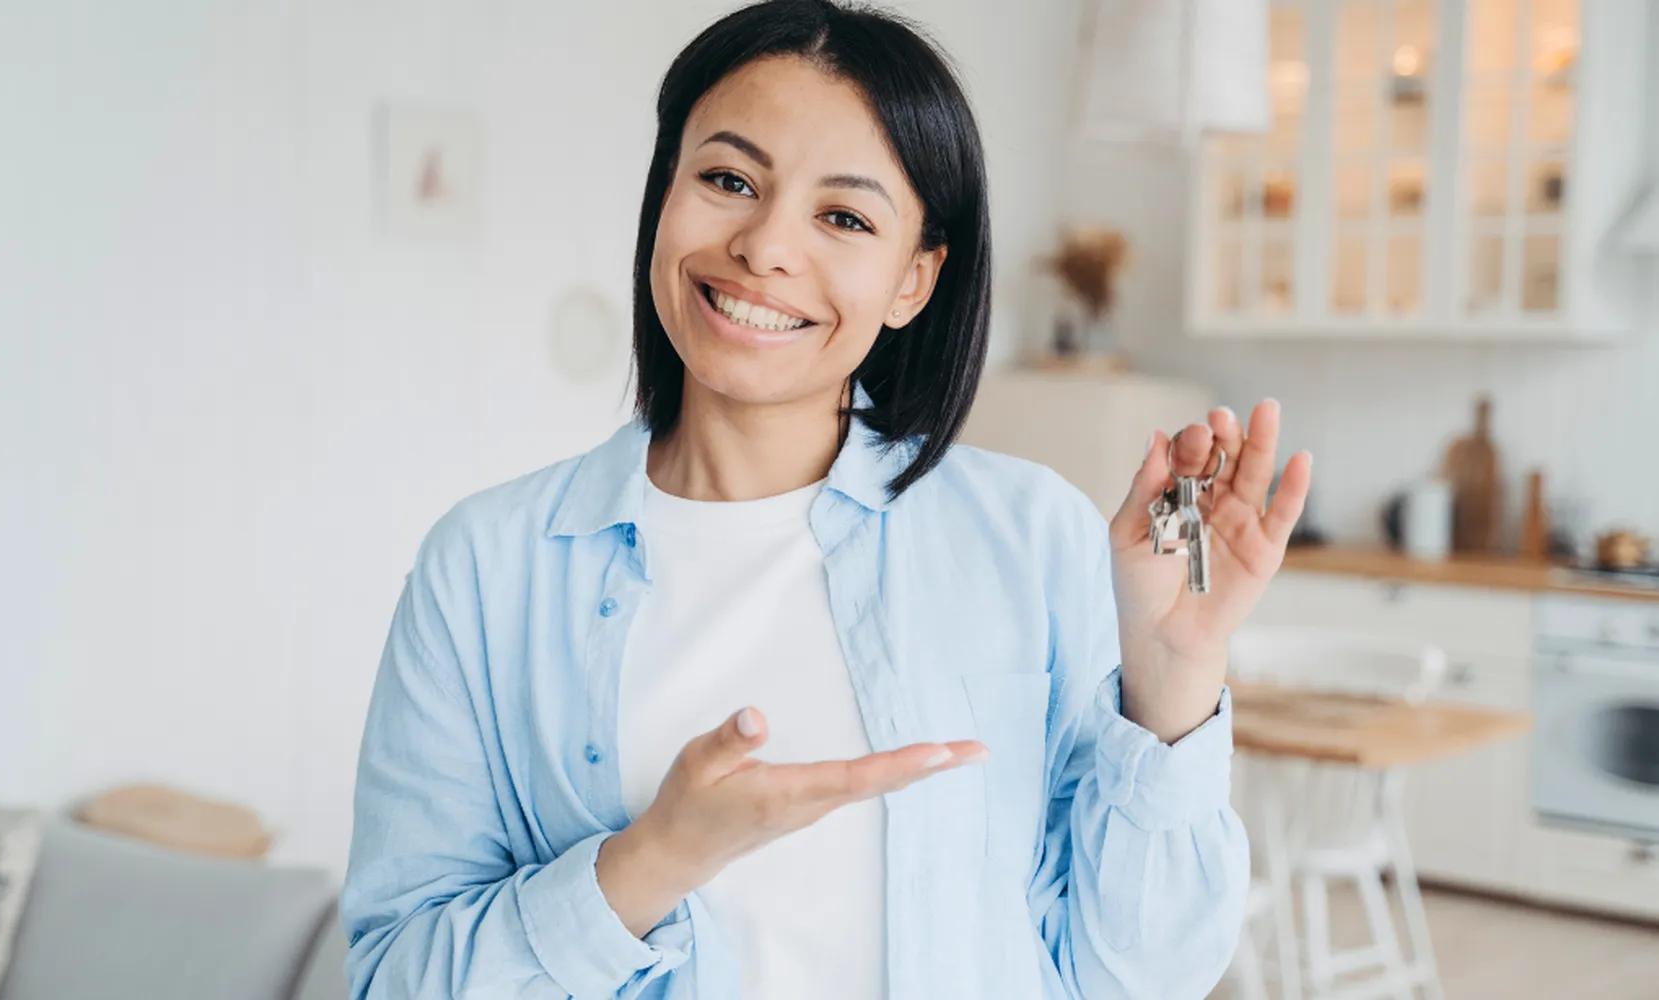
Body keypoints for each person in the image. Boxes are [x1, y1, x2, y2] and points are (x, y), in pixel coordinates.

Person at [340, 1, 1313, 997]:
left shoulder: (1032, 536)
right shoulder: (484, 568)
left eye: (842, 215)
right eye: (726, 178)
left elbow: (1141, 972)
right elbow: (394, 977)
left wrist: (1172, 677)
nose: (764, 246)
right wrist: (649, 861)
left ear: (912, 279)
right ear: (663, 193)